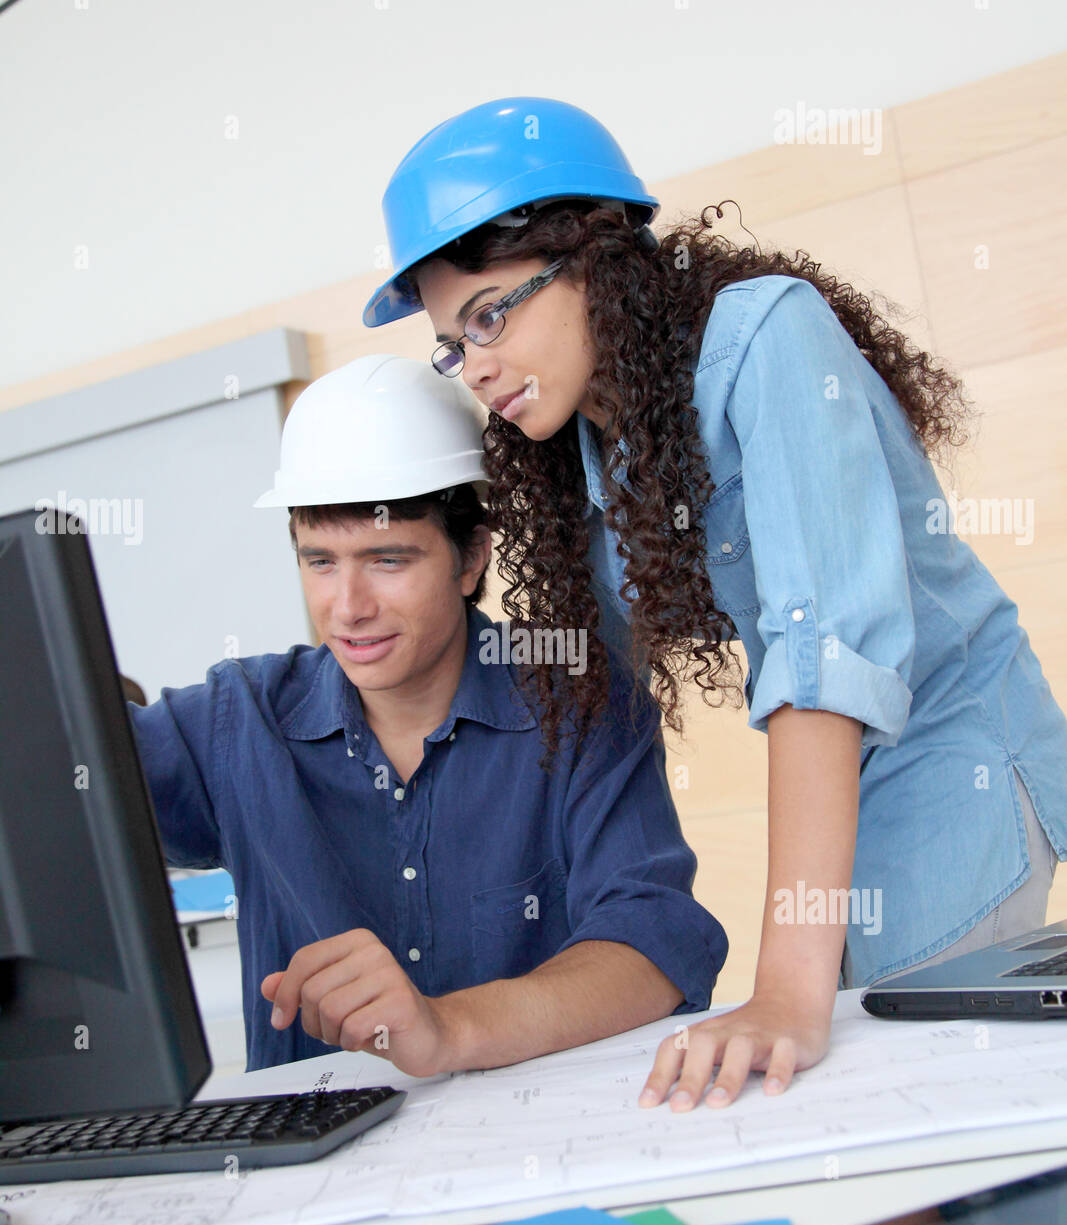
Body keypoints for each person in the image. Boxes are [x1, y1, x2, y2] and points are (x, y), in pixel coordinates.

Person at [362, 95, 1067, 1110]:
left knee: (911, 1098)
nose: (474, 367)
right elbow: (589, 696)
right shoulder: (586, 450)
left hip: (948, 760)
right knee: (834, 1086)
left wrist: (783, 988)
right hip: (845, 799)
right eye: (448, 343)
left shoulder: (765, 336)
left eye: (488, 314)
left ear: (593, 258)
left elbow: (820, 665)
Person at [129, 354, 726, 1073]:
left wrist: (447, 1027)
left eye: (387, 560)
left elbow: (652, 946)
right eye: (320, 562)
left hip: (540, 1146)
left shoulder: (579, 698)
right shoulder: (235, 720)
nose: (347, 608)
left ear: (470, 556)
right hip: (325, 1175)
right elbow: (71, 780)